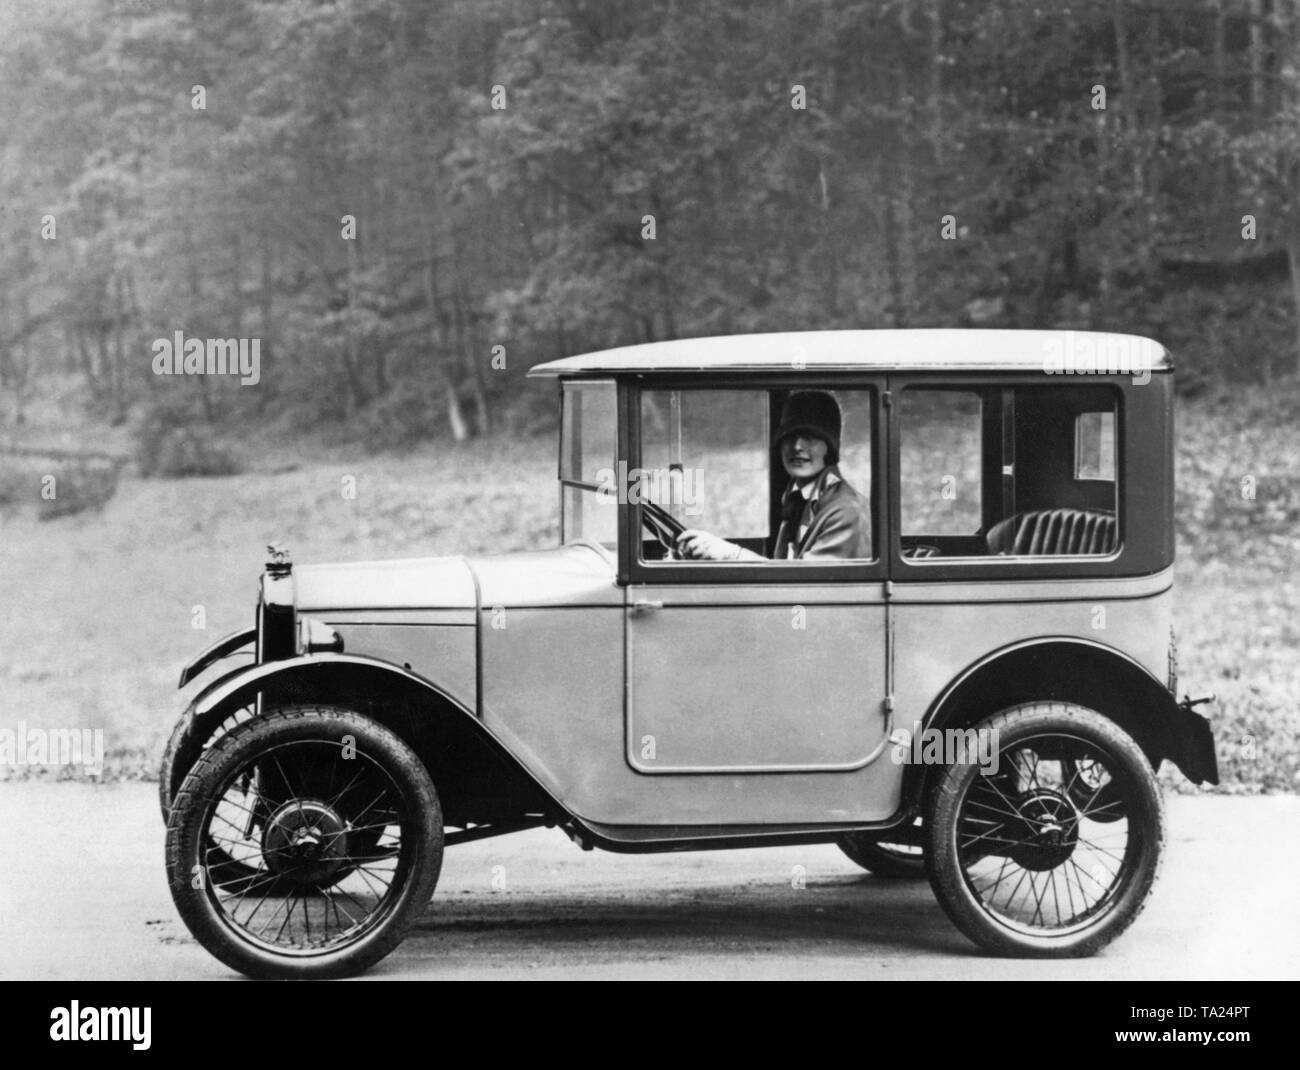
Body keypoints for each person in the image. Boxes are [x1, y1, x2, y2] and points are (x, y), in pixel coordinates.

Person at [675, 390, 872, 561]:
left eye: (810, 438)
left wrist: (729, 554)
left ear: (829, 447)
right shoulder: (798, 497)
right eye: (790, 437)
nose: (797, 447)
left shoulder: (847, 512)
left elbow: (803, 583)